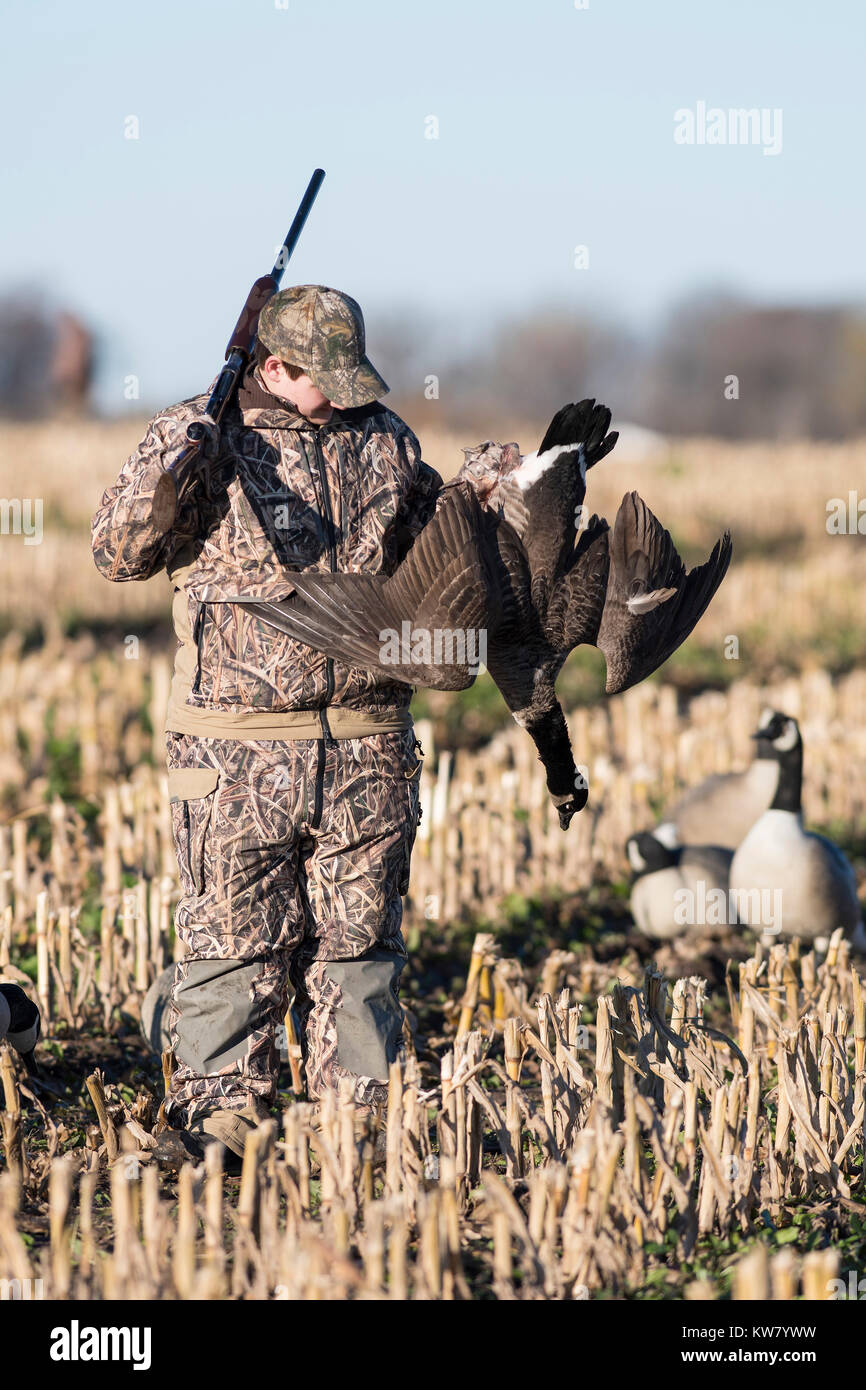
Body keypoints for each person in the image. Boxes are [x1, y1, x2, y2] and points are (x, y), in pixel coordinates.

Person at [91, 285, 442, 1164]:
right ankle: (219, 1121)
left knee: (361, 943)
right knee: (232, 943)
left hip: (368, 740)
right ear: (274, 365)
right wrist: (176, 464)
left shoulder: (386, 436)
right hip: (234, 746)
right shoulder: (199, 435)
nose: (345, 391)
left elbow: (441, 554)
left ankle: (360, 1123)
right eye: (325, 376)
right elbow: (118, 556)